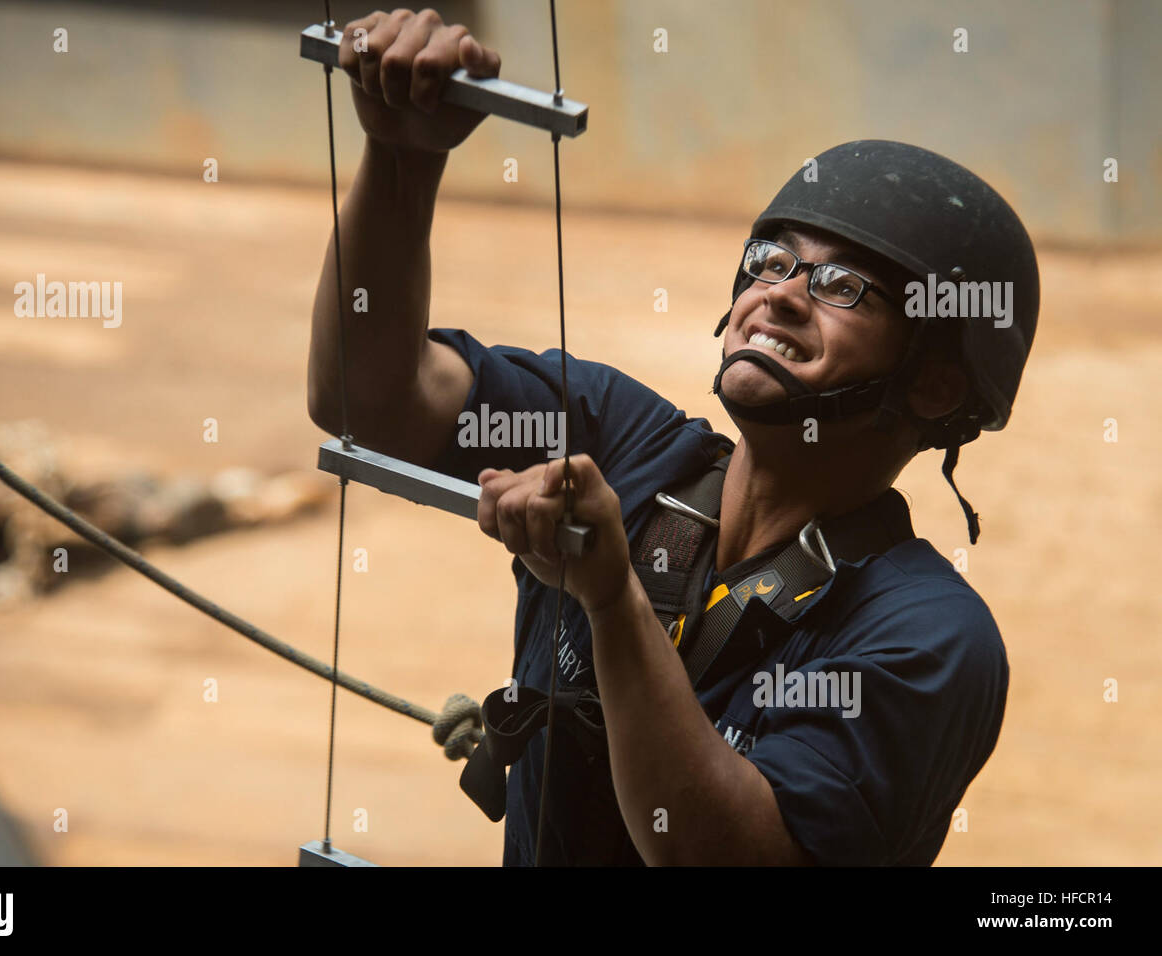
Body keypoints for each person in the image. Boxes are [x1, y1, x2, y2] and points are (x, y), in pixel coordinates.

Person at [307, 8, 1039, 866]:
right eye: (769, 261)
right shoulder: (621, 442)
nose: (780, 295)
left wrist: (612, 599)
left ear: (936, 382)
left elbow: (726, 854)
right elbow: (368, 394)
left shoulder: (928, 637)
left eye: (842, 285)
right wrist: (402, 156)